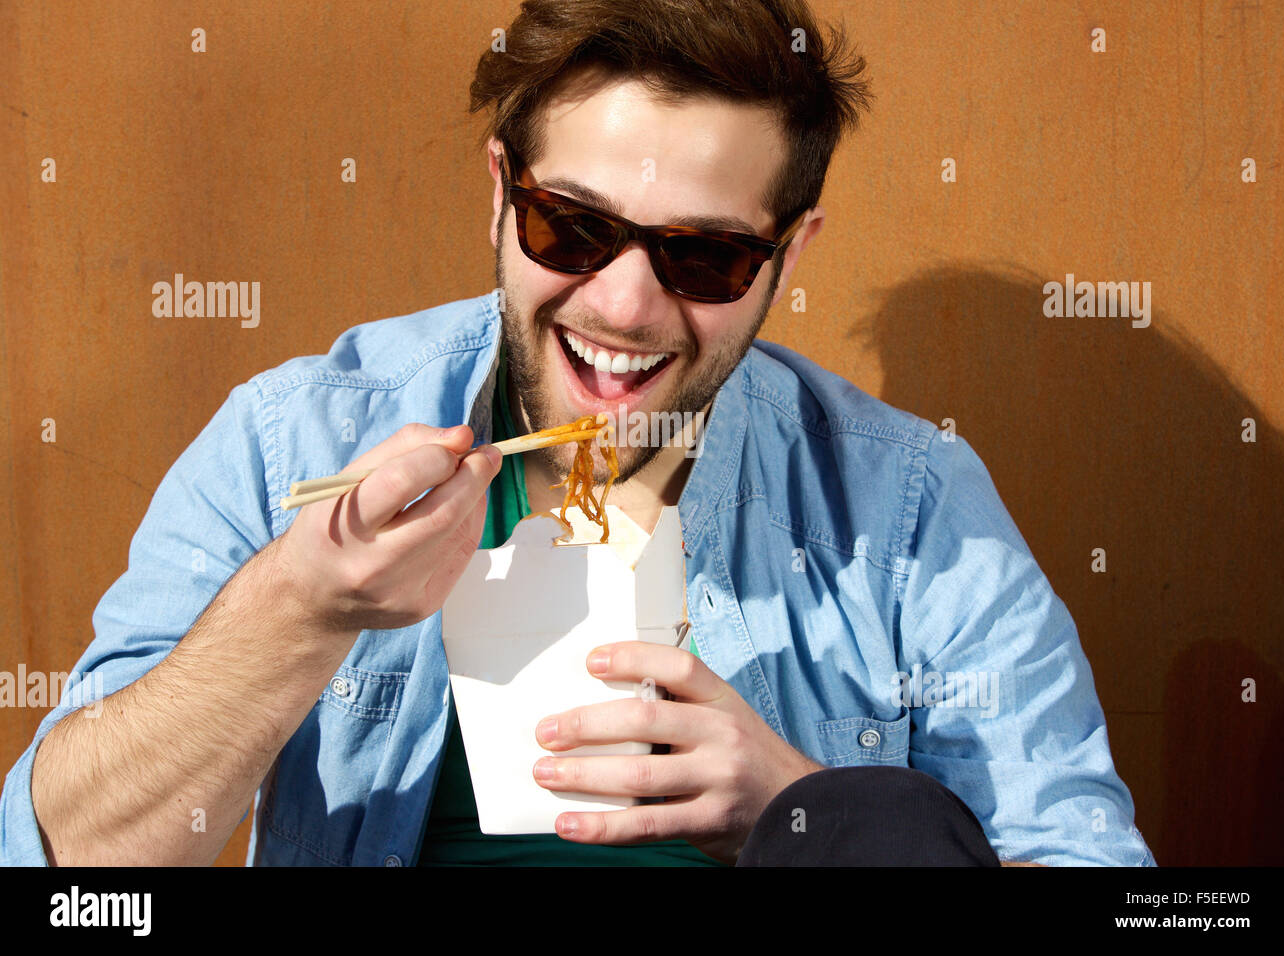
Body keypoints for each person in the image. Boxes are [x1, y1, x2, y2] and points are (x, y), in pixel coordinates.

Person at [1, 0, 1153, 867]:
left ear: (785, 257)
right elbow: (60, 862)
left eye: (704, 255)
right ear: (500, 195)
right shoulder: (292, 437)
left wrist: (797, 809)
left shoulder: (910, 507)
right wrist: (301, 608)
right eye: (573, 228)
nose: (624, 305)